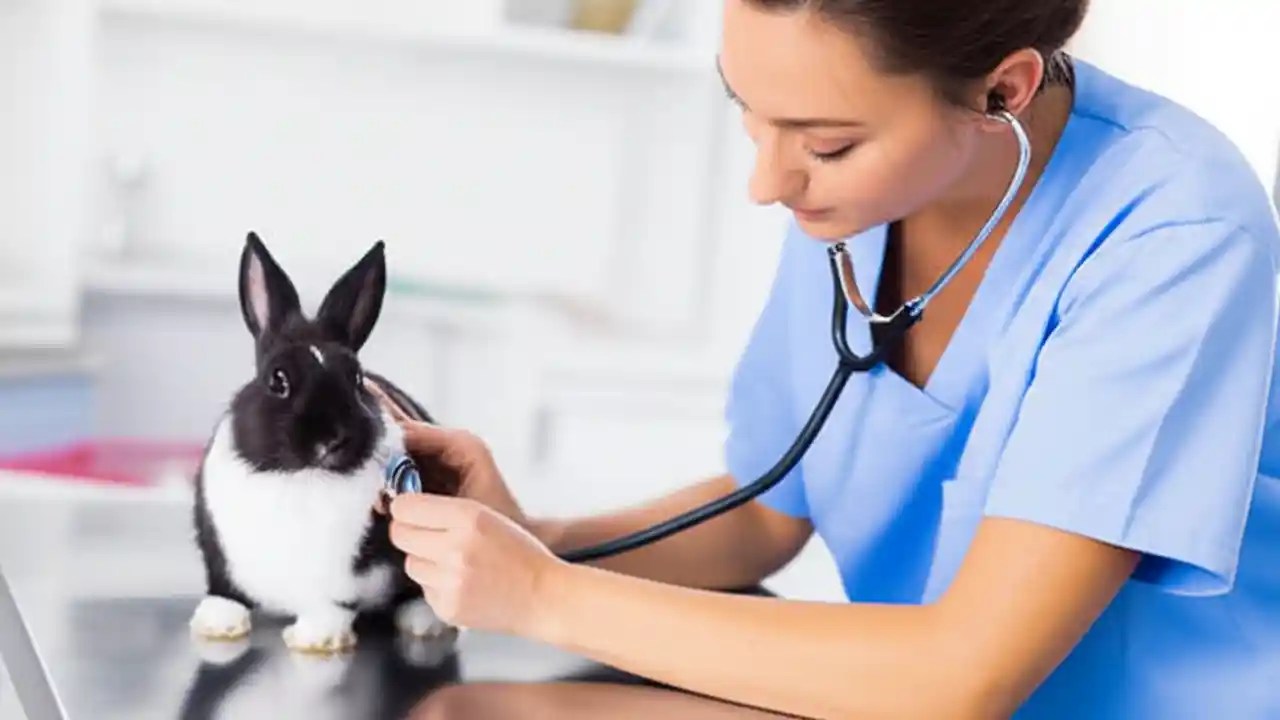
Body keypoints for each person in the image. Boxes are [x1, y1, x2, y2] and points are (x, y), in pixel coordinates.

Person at [370, 1, 1280, 717]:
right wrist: (538, 542)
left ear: (1002, 89)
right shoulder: (854, 201)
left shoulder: (1172, 227)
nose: (768, 182)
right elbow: (770, 512)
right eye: (749, 114)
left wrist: (543, 597)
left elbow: (964, 679)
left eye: (825, 143)